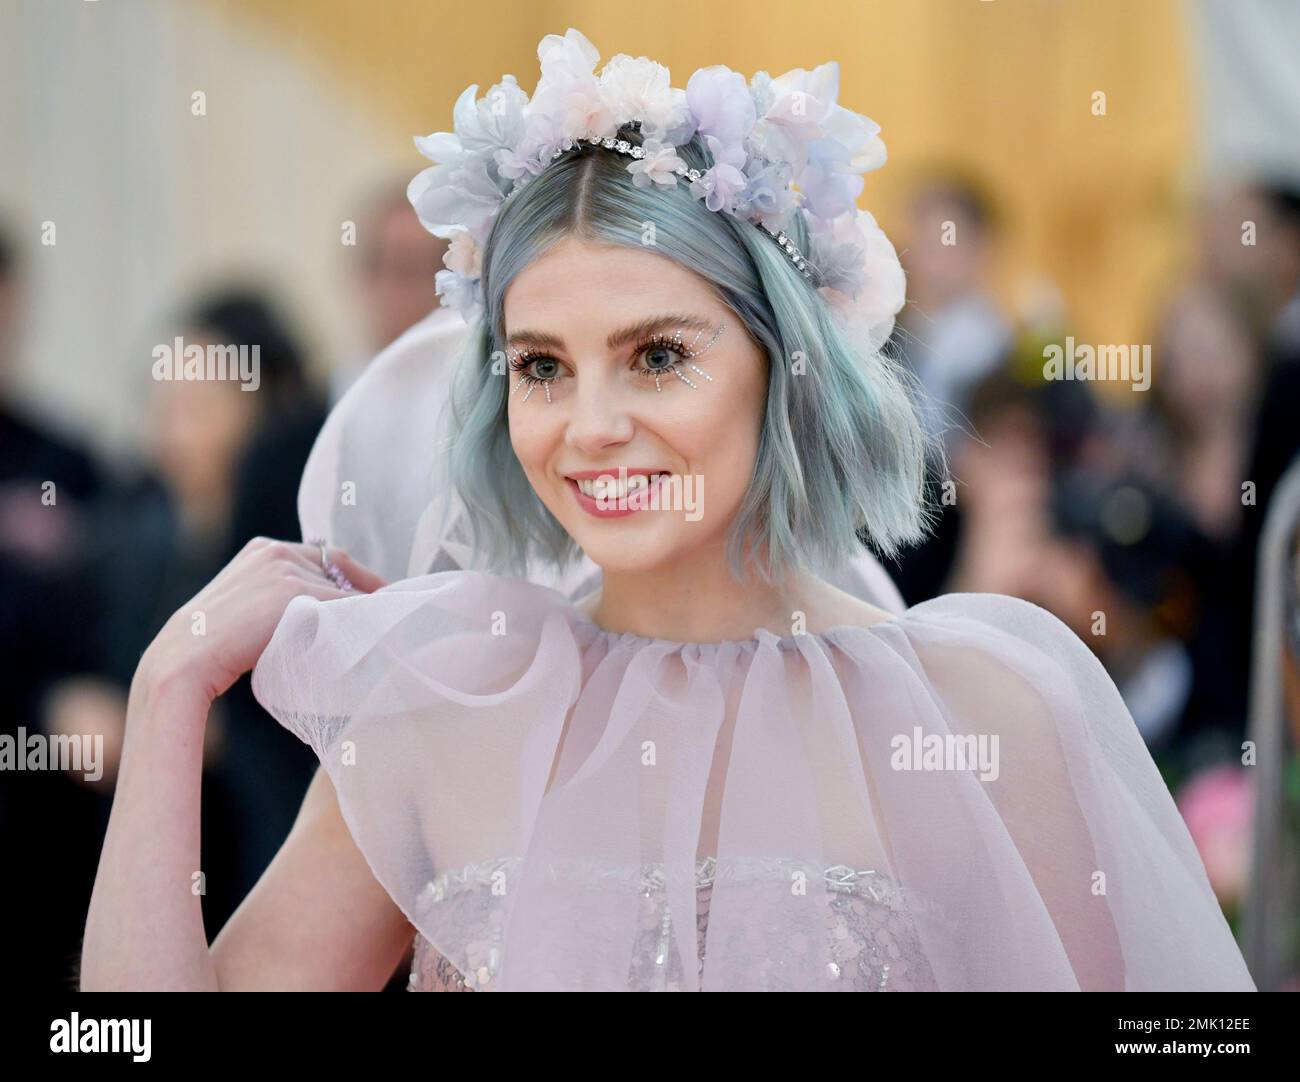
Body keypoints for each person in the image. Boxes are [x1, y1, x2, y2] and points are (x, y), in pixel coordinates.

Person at [80, 28, 1255, 992]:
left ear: (785, 362)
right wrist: (170, 688)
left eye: (653, 354)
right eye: (540, 365)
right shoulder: (445, 705)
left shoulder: (981, 711)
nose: (588, 422)